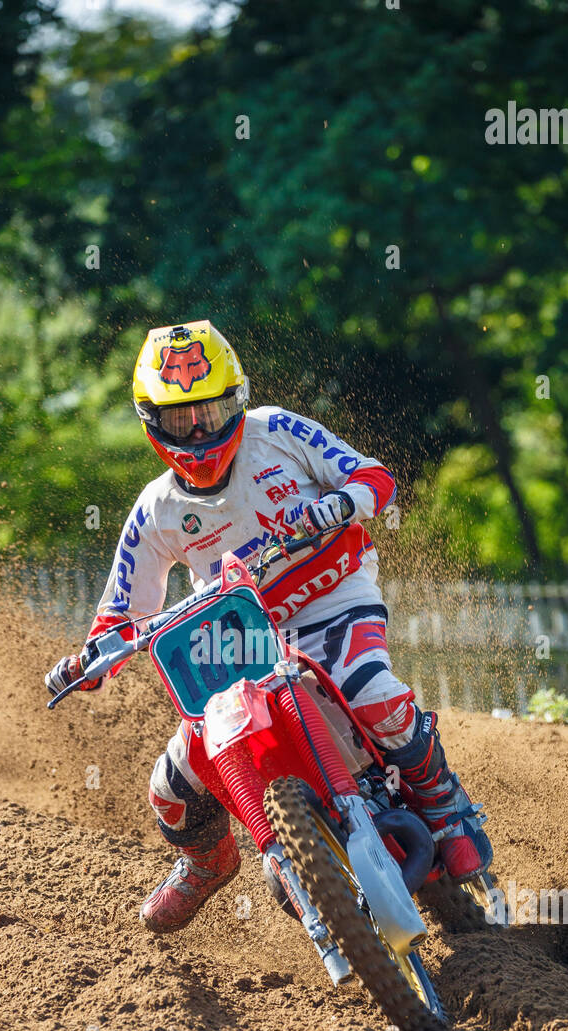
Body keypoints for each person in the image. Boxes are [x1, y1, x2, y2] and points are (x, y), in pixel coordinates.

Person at [45, 320, 492, 931]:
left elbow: (374, 477)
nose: (199, 431)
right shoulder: (156, 509)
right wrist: (87, 664)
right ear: (151, 422)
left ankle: (443, 806)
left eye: (210, 412)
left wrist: (340, 503)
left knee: (373, 694)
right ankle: (208, 861)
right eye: (181, 421)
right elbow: (121, 615)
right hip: (243, 637)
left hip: (333, 595)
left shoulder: (278, 431)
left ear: (239, 399)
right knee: (171, 788)